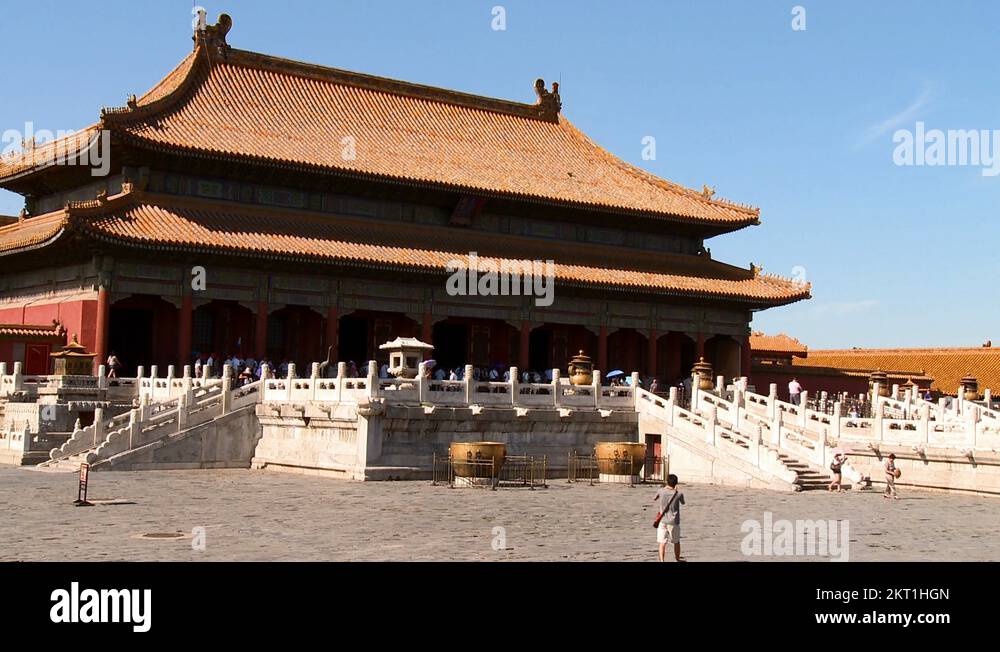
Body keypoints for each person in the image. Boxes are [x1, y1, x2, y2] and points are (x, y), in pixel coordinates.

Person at [653, 473, 686, 562]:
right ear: (676, 483)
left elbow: (654, 498)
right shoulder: (679, 494)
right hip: (674, 521)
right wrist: (676, 491)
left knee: (662, 543)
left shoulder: (661, 491)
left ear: (667, 482)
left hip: (662, 521)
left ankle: (662, 561)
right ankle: (677, 559)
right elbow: (683, 502)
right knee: (676, 542)